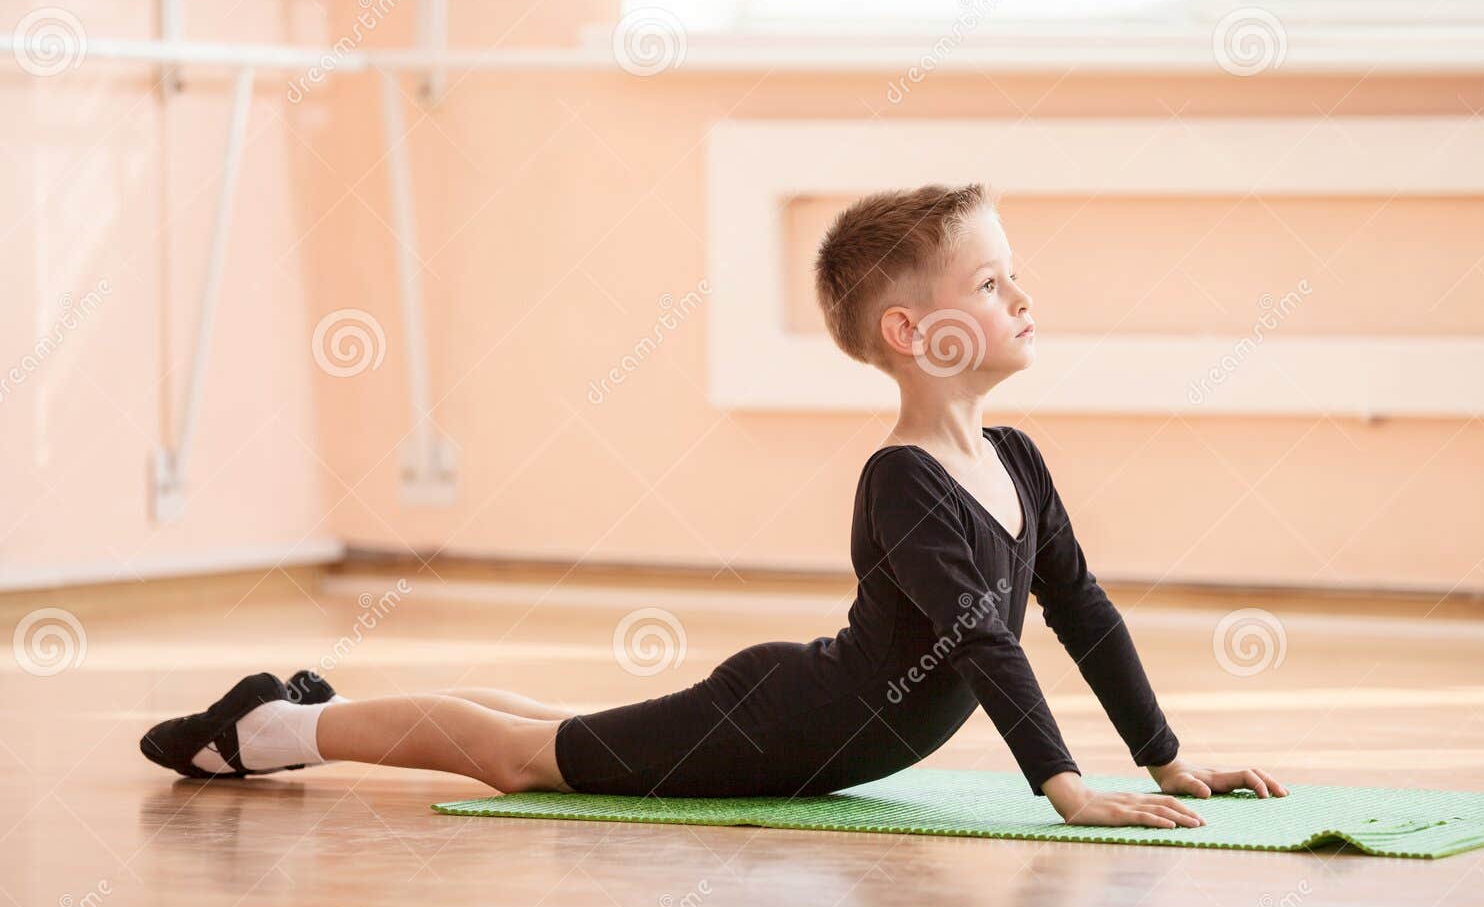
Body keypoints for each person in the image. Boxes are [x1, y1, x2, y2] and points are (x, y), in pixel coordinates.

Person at [139, 182, 1288, 829]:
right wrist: (1067, 789)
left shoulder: (1018, 459)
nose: (1023, 295)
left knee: (543, 729)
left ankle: (303, 711)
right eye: (991, 282)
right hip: (779, 721)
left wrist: (1165, 755)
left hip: (799, 715)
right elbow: (977, 638)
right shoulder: (902, 477)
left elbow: (1080, 609)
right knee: (522, 758)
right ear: (908, 330)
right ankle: (270, 729)